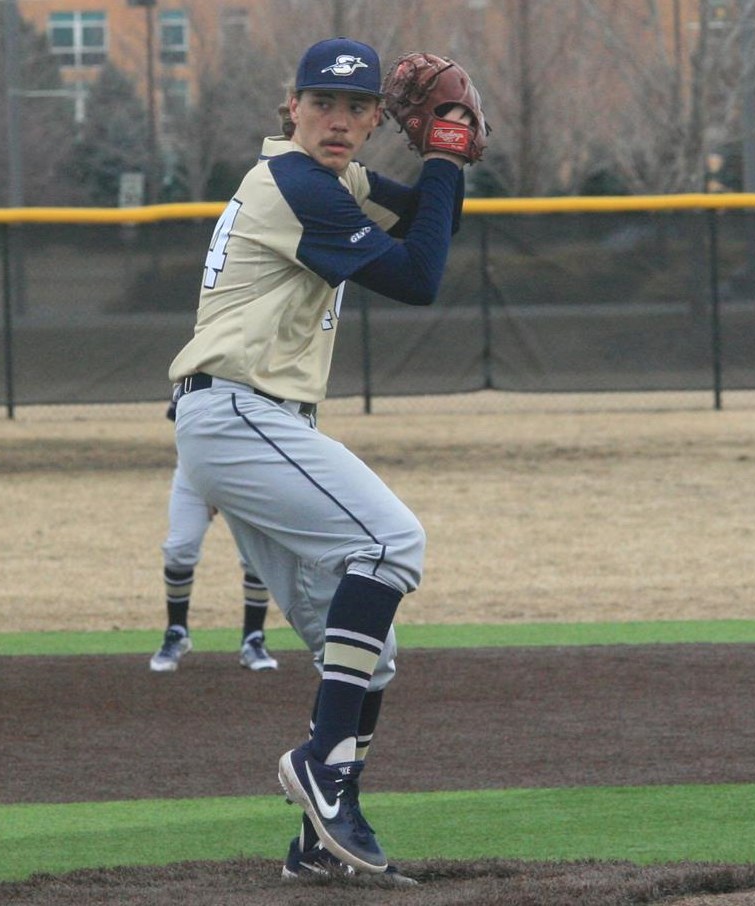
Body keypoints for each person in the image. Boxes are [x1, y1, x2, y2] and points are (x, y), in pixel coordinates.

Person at [166, 37, 479, 881]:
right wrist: (445, 156)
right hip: (239, 412)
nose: (337, 120)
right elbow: (418, 278)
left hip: (244, 423)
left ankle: (318, 838)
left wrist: (444, 155)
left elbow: (426, 220)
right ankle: (320, 769)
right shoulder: (296, 183)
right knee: (389, 543)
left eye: (356, 108)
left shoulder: (327, 180)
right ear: (291, 108)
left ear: (378, 118)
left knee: (366, 653)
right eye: (321, 103)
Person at [151, 388, 278, 673]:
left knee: (256, 555)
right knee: (179, 549)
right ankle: (176, 632)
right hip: (194, 469)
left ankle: (253, 638)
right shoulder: (195, 366)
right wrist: (208, 481)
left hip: (248, 471)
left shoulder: (258, 369)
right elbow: (183, 427)